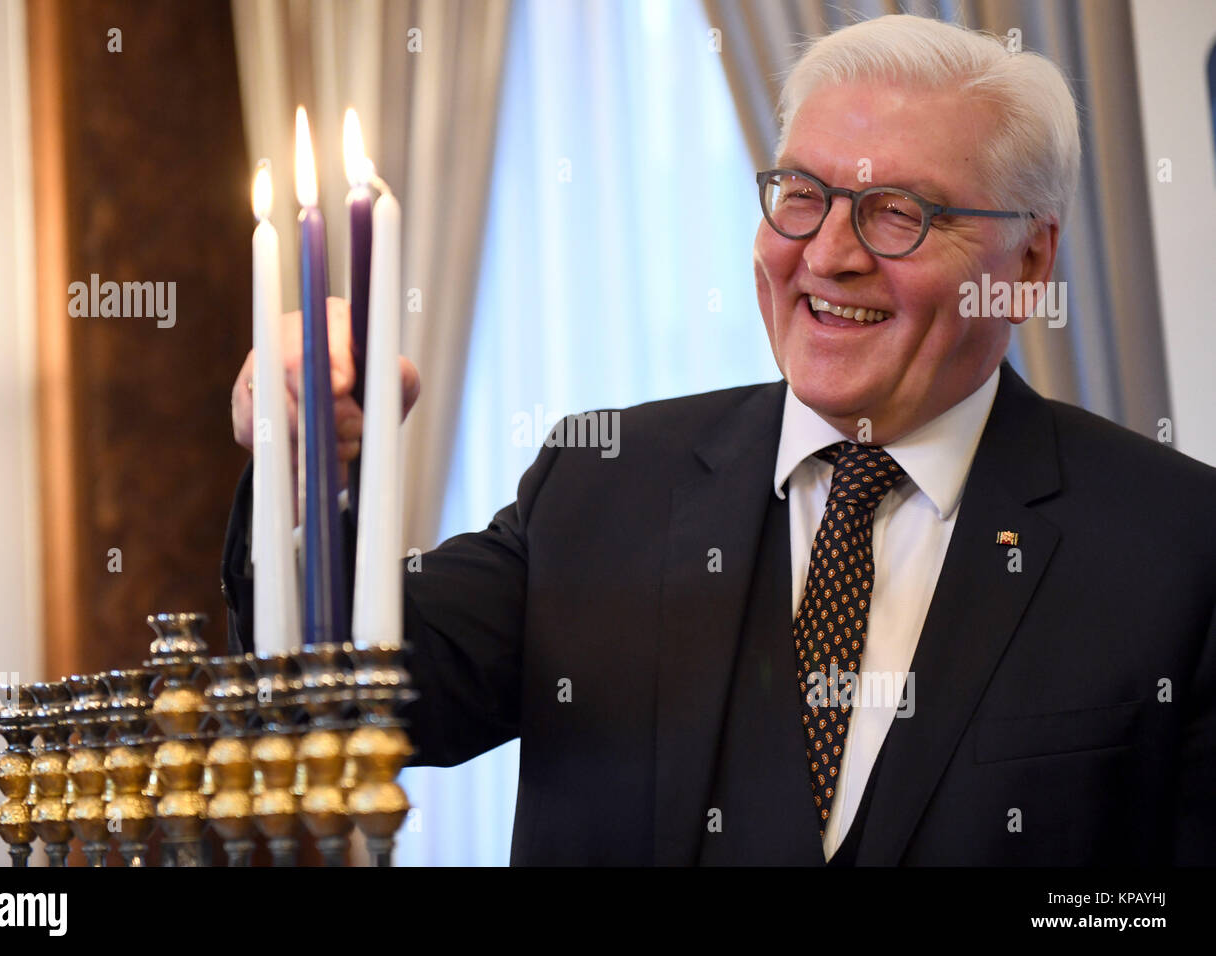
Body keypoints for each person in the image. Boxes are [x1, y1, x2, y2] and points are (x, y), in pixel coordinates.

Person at [223, 15, 1216, 865]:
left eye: (896, 214)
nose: (829, 254)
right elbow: (360, 696)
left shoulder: (1177, 545)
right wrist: (306, 472)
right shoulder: (600, 481)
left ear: (1028, 258)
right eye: (800, 195)